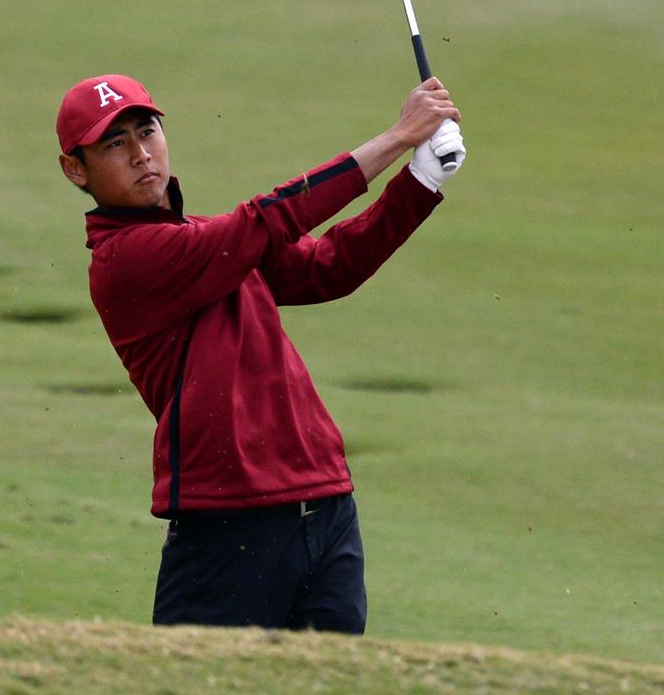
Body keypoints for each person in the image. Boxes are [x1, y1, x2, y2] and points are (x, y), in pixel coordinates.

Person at [55, 72, 466, 633]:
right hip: (227, 525)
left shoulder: (211, 239)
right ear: (75, 170)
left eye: (146, 131)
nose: (140, 154)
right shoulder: (126, 260)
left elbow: (330, 269)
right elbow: (267, 218)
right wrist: (398, 138)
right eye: (114, 144)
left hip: (325, 505)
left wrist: (420, 181)